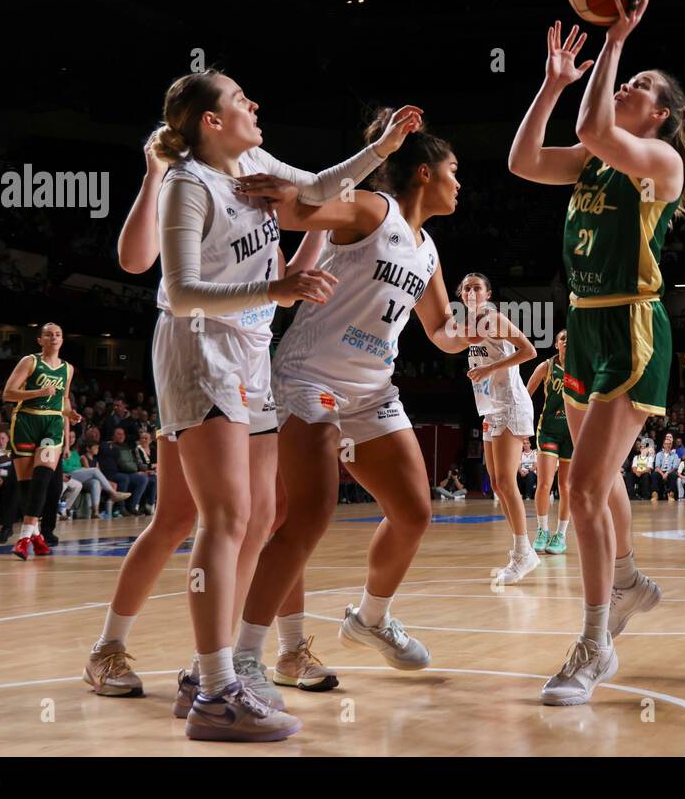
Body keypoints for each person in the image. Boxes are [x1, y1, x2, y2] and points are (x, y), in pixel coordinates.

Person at [84, 96, 402, 711]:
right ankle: (204, 678)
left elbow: (314, 190)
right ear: (210, 121)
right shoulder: (188, 182)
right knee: (226, 519)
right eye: (238, 99)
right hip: (200, 347)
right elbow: (175, 292)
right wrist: (277, 286)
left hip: (252, 350)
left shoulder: (252, 161)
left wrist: (381, 150)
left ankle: (173, 658)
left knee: (215, 518)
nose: (254, 103)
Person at [233, 107, 480, 700]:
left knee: (415, 511)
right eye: (453, 170)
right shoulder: (374, 209)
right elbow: (299, 212)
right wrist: (288, 192)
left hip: (372, 389)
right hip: (307, 376)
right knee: (303, 518)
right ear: (423, 173)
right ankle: (246, 659)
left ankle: (369, 619)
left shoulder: (429, 251)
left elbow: (441, 331)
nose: (459, 181)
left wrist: (475, 329)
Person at [509, 0, 685, 704]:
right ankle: (624, 579)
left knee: (585, 487)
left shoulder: (658, 163)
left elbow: (596, 132)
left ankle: (594, 645)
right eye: (625, 77)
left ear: (659, 116)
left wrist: (616, 37)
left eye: (639, 86)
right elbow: (522, 160)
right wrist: (552, 83)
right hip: (583, 319)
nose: (626, 85)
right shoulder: (594, 160)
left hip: (630, 326)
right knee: (603, 479)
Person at [460, 272, 539, 583]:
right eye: (466, 287)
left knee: (507, 481)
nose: (471, 291)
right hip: (492, 408)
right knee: (496, 483)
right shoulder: (469, 326)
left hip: (511, 405)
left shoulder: (494, 319)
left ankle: (523, 553)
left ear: (488, 293)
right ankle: (523, 552)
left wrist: (490, 368)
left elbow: (529, 351)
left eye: (477, 286)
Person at [0, 323, 82, 559]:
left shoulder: (68, 368)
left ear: (62, 340)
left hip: (52, 424)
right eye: (48, 334)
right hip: (26, 422)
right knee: (26, 486)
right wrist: (37, 392)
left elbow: (64, 399)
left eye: (58, 334)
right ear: (40, 340)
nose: (53, 337)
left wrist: (70, 413)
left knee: (44, 477)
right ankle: (36, 534)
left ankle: (24, 536)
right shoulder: (30, 361)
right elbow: (8, 393)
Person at [526, 329, 573, 554]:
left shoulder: (583, 369)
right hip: (548, 431)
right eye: (563, 338)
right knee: (545, 483)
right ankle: (542, 529)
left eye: (571, 338)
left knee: (566, 486)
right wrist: (521, 425)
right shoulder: (546, 366)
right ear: (556, 345)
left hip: (573, 433)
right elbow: (527, 394)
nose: (567, 341)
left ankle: (561, 535)